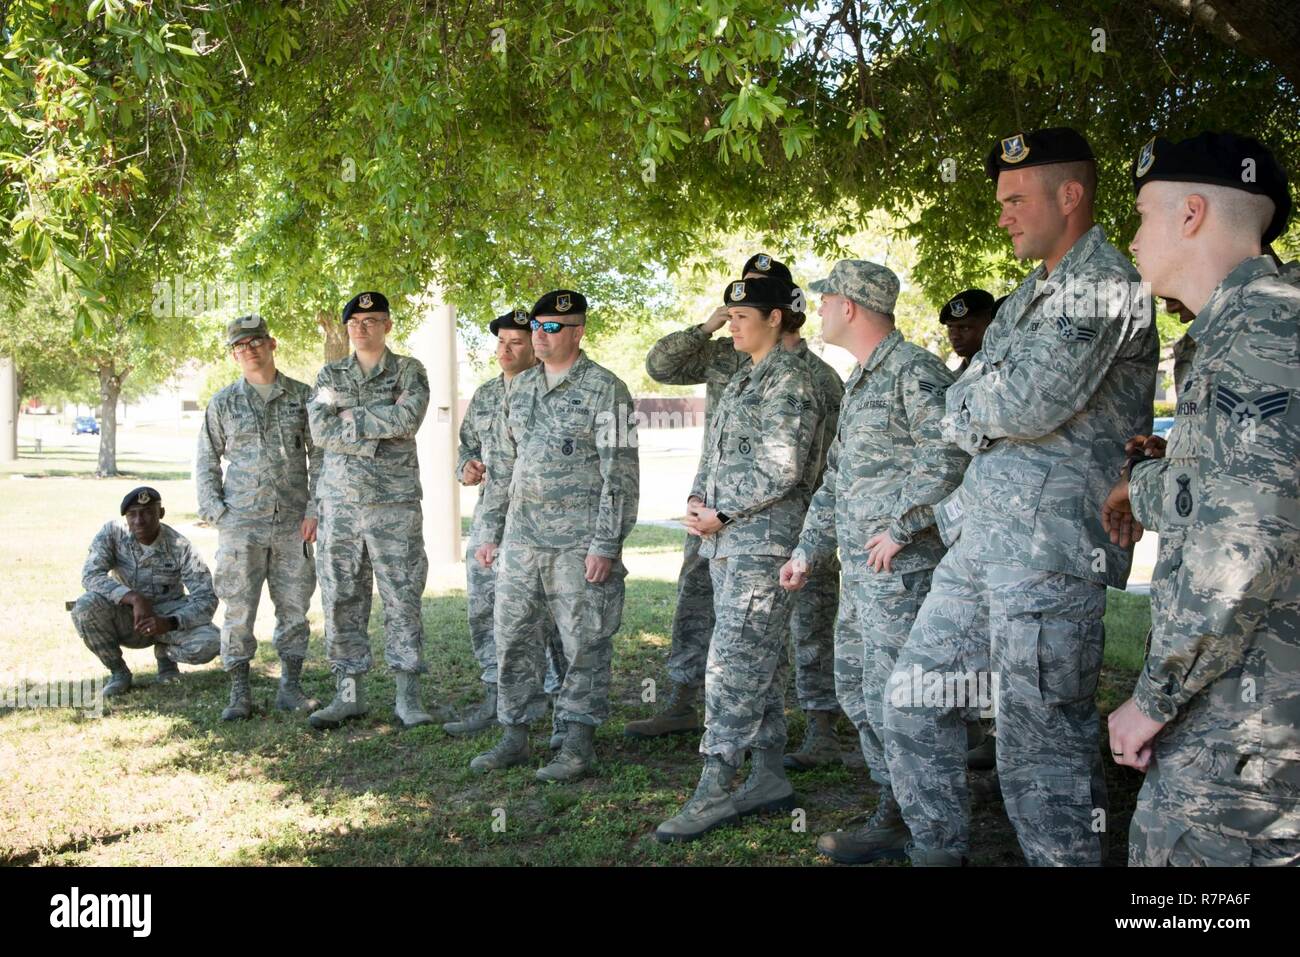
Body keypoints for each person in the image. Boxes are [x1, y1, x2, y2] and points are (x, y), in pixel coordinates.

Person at [883, 127, 1159, 866]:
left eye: (1015, 199)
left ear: (1069, 196)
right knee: (913, 700)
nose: (1002, 213)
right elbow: (979, 395)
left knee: (1042, 755)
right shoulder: (1028, 298)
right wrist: (981, 408)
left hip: (1050, 550)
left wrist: (977, 410)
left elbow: (1030, 400)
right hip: (982, 541)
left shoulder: (1106, 282)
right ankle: (939, 849)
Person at [1102, 131, 1299, 866]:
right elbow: (1238, 490)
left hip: (1248, 722)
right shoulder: (1237, 329)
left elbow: (1245, 543)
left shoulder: (1263, 327)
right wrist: (1158, 475)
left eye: (1143, 213)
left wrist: (1153, 695)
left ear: (1190, 214)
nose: (1131, 236)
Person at [781, 260, 968, 863]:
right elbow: (834, 480)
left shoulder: (914, 372)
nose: (821, 310)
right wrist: (808, 549)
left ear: (852, 306)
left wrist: (901, 527)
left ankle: (937, 835)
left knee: (910, 703)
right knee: (861, 695)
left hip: (903, 573)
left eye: (826, 299)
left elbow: (949, 454)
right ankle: (895, 807)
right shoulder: (863, 380)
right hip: (863, 578)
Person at [654, 276, 817, 842]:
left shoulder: (790, 380)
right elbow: (718, 455)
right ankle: (768, 773)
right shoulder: (747, 374)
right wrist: (700, 501)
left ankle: (716, 785)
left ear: (776, 318)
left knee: (731, 665)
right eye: (730, 313)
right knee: (759, 661)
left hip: (763, 542)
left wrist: (721, 510)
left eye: (744, 314)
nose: (732, 322)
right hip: (730, 541)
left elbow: (783, 466)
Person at [471, 289, 640, 782]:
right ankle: (515, 734)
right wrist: (489, 531)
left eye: (551, 329)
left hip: (578, 545)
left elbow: (621, 474)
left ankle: (577, 742)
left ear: (578, 331)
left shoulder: (607, 389)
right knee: (514, 638)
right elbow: (502, 468)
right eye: (537, 328)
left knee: (584, 642)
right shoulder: (519, 389)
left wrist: (606, 544)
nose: (540, 337)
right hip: (522, 543)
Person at [632, 253, 790, 739]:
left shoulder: (794, 368)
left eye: (757, 293)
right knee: (694, 595)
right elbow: (660, 365)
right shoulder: (725, 353)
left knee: (766, 614)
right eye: (740, 292)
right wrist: (708, 325)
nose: (744, 301)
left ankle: (787, 721)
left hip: (763, 510)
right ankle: (682, 698)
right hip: (709, 501)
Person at [307, 291, 440, 730]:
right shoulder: (329, 374)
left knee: (402, 597)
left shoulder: (408, 370)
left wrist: (353, 418)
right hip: (340, 507)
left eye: (372, 320)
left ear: (387, 324)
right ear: (347, 328)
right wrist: (376, 421)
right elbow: (321, 428)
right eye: (355, 322)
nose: (362, 328)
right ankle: (349, 696)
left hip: (393, 506)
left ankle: (408, 698)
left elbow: (409, 419)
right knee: (342, 597)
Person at [195, 314, 322, 721]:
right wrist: (217, 512)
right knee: (238, 609)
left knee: (293, 608)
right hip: (241, 525)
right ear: (234, 354)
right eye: (239, 346)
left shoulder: (303, 396)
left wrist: (315, 510)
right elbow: (206, 458)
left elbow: (320, 457)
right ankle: (239, 691)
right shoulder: (223, 402)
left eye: (255, 342)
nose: (248, 350)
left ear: (272, 344)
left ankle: (290, 686)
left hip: (292, 524)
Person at [445, 308, 565, 738]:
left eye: (516, 342)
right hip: (491, 520)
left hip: (544, 525)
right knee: (484, 609)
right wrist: (467, 468)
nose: (506, 350)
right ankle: (497, 697)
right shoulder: (485, 395)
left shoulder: (550, 391)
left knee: (546, 617)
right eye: (501, 343)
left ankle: (555, 701)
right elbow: (465, 449)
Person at [70, 487, 220, 695]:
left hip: (167, 618)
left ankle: (165, 656)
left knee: (212, 642)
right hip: (129, 618)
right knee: (85, 607)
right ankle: (119, 673)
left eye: (148, 512)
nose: (139, 520)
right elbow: (90, 575)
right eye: (132, 514)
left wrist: (170, 622)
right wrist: (133, 598)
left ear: (161, 513)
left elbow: (206, 598)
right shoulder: (112, 534)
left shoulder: (180, 546)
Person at [938, 288, 995, 375]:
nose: (954, 336)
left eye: (965, 328)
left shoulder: (1009, 371)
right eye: (950, 327)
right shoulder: (952, 381)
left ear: (990, 324)